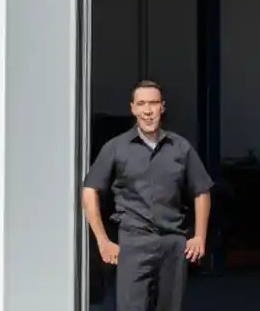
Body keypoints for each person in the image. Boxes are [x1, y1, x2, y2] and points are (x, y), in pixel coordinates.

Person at [82, 80, 213, 311]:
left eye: (153, 103)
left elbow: (201, 190)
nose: (148, 110)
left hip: (173, 243)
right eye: (141, 103)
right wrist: (103, 241)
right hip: (134, 243)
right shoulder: (116, 148)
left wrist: (199, 236)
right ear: (132, 108)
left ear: (162, 107)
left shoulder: (181, 148)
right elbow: (90, 189)